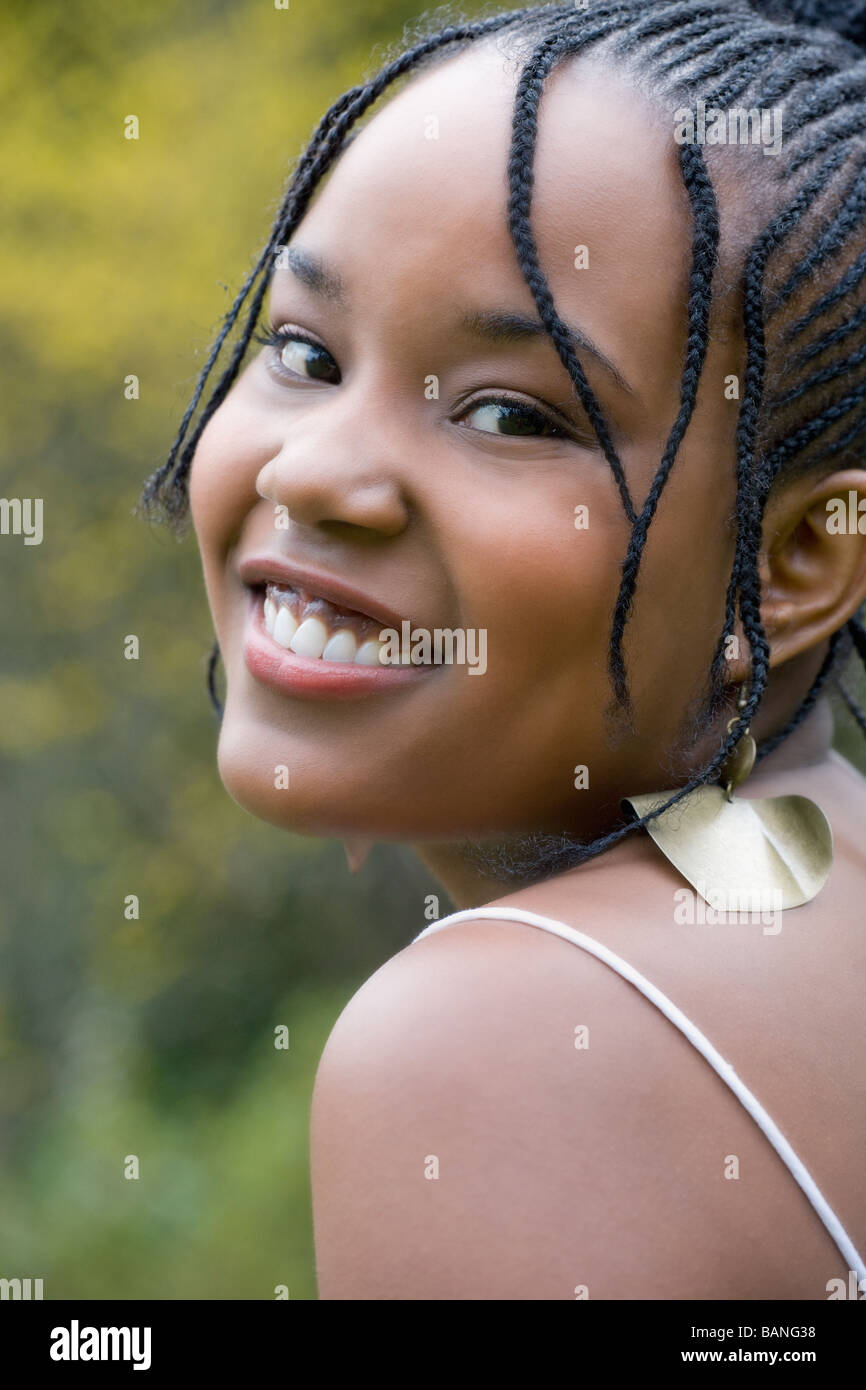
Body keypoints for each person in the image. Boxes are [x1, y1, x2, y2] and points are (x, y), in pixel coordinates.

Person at [141, 0, 866, 1298]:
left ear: (798, 559)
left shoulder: (505, 1033)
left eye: (508, 413)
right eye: (303, 351)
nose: (315, 472)